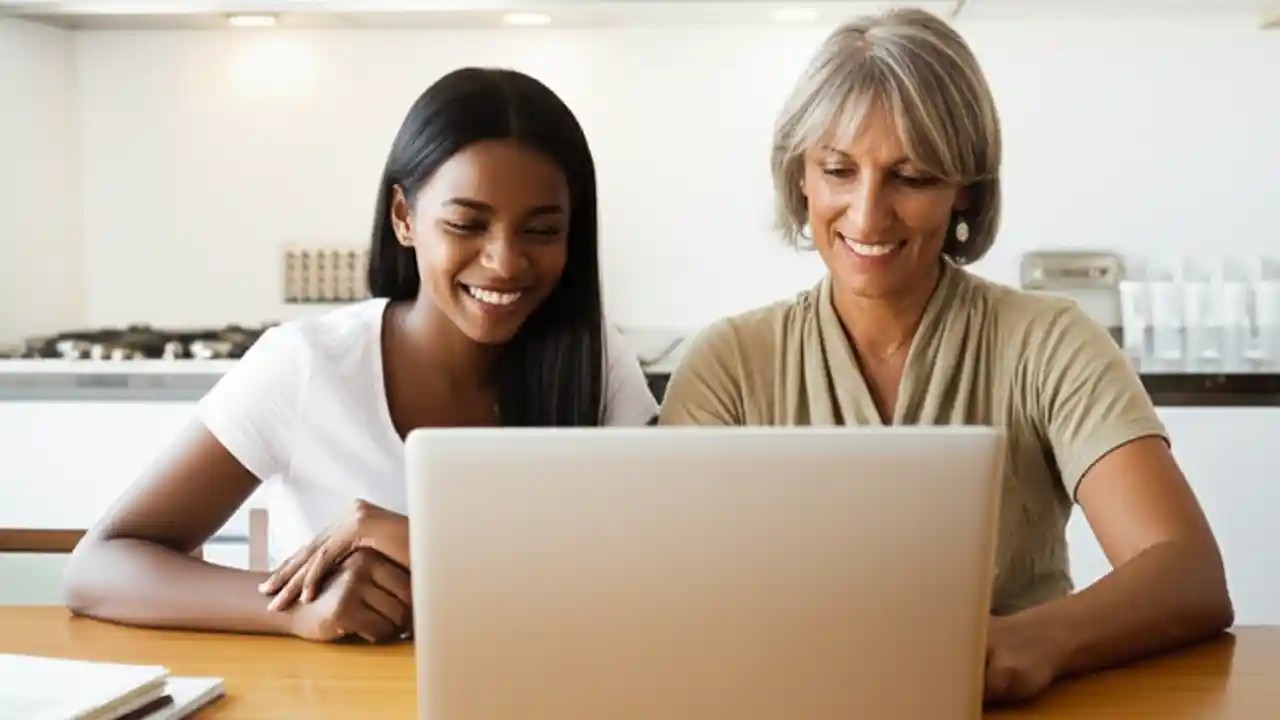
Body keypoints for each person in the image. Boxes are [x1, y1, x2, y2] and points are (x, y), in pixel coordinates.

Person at [658, 9, 1232, 705]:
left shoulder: (1047, 341)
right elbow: (668, 599)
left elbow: (1188, 574)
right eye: (838, 170)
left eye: (911, 177)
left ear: (966, 188)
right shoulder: (728, 366)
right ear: (800, 176)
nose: (867, 214)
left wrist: (1031, 641)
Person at [64, 67, 658, 644]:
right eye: (465, 224)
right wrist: (296, 609)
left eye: (542, 231)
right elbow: (97, 567)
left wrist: (417, 541)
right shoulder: (308, 365)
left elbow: (658, 574)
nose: (504, 262)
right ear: (405, 218)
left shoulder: (598, 364)